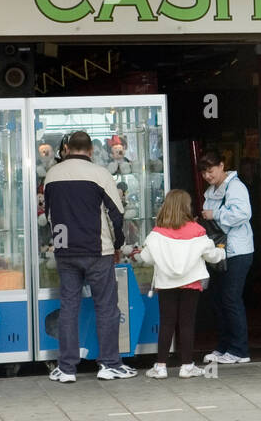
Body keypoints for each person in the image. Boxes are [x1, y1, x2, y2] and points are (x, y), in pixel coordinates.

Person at [43, 130, 134, 382]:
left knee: (68, 307)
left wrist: (59, 243)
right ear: (91, 150)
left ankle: (67, 368)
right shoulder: (100, 174)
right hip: (97, 250)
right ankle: (109, 364)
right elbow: (116, 214)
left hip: (65, 251)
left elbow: (49, 215)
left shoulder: (52, 175)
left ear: (67, 149)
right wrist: (118, 244)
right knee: (106, 307)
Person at [137, 189, 225, 379]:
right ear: (187, 207)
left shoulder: (156, 233)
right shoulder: (197, 231)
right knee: (187, 323)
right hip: (191, 284)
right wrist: (222, 252)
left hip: (166, 284)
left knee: (166, 323)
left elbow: (146, 257)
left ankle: (160, 366)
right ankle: (187, 366)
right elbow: (212, 256)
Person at [199, 151, 254, 365]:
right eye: (204, 171)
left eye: (210, 170)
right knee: (219, 300)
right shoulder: (212, 190)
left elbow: (242, 214)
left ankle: (240, 350)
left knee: (230, 299)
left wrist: (215, 215)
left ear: (222, 166)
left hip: (237, 252)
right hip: (219, 252)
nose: (207, 175)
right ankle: (223, 347)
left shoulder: (236, 187)